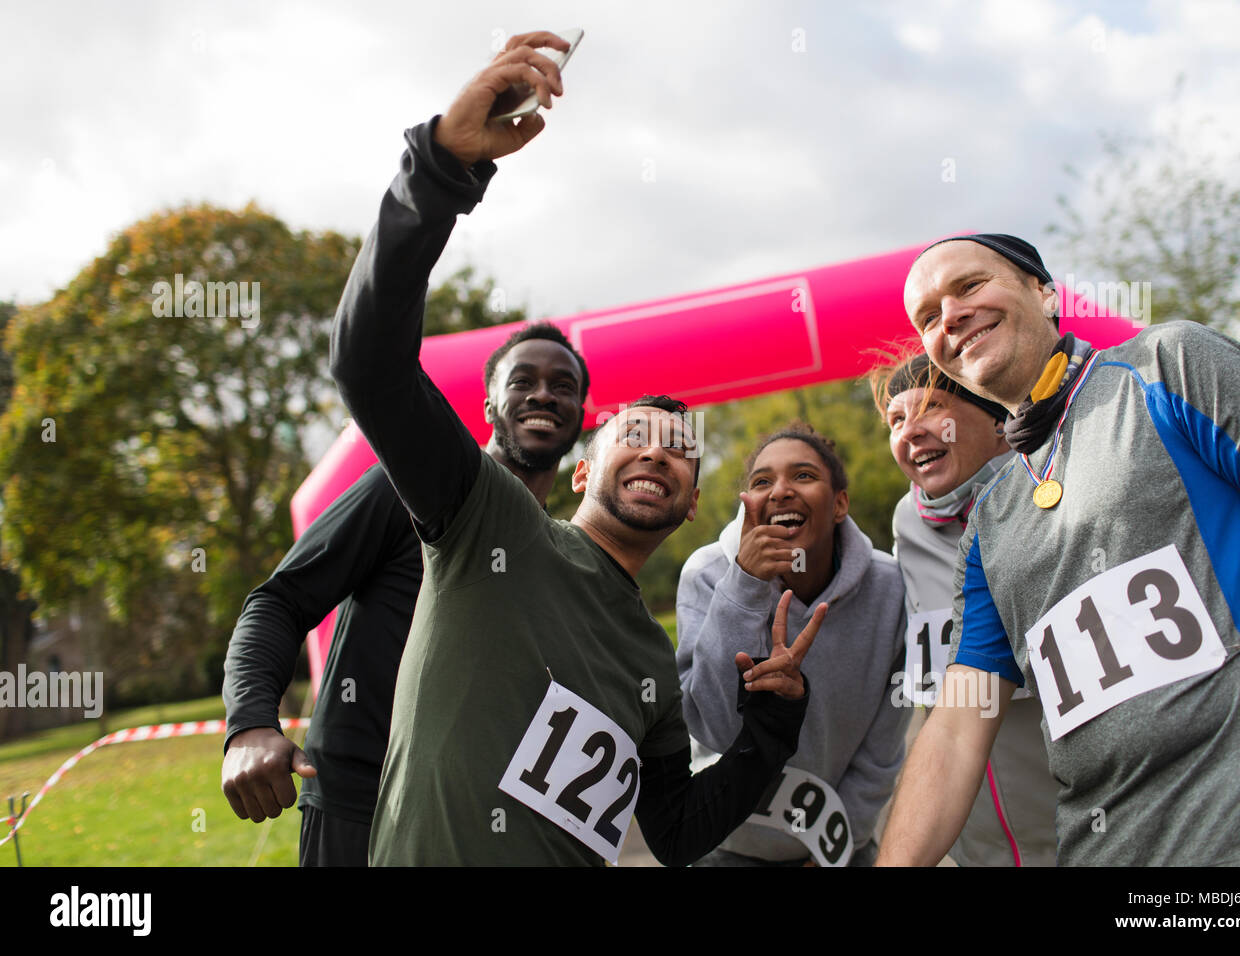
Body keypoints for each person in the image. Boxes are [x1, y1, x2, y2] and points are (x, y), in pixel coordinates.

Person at [329, 30, 823, 866]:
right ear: (586, 467)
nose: (659, 455)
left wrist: (769, 728)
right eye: (636, 436)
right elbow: (367, 360)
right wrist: (442, 165)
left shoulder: (647, 664)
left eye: (680, 451)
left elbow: (675, 835)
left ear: (694, 502)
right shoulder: (486, 519)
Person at [878, 233, 1240, 866]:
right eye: (929, 317)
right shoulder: (988, 528)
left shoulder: (1170, 363)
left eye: (968, 287)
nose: (951, 317)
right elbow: (957, 730)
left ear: (1044, 292)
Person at [220, 321, 589, 867]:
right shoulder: (407, 489)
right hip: (360, 815)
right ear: (488, 405)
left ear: (581, 413)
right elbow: (279, 601)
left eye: (563, 385)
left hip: (475, 827)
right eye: (523, 381)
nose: (543, 394)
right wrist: (250, 723)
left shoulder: (558, 553)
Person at [676, 423, 908, 866]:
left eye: (803, 476)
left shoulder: (889, 587)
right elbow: (712, 730)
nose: (781, 491)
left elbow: (882, 749)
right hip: (724, 846)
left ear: (840, 503)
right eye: (762, 481)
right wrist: (743, 588)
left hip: (840, 849)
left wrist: (834, 848)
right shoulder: (706, 574)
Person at [875, 354, 1056, 866]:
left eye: (933, 408)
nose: (910, 431)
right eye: (895, 420)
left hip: (1095, 837)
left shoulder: (1059, 490)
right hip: (978, 849)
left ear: (999, 421)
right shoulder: (907, 522)